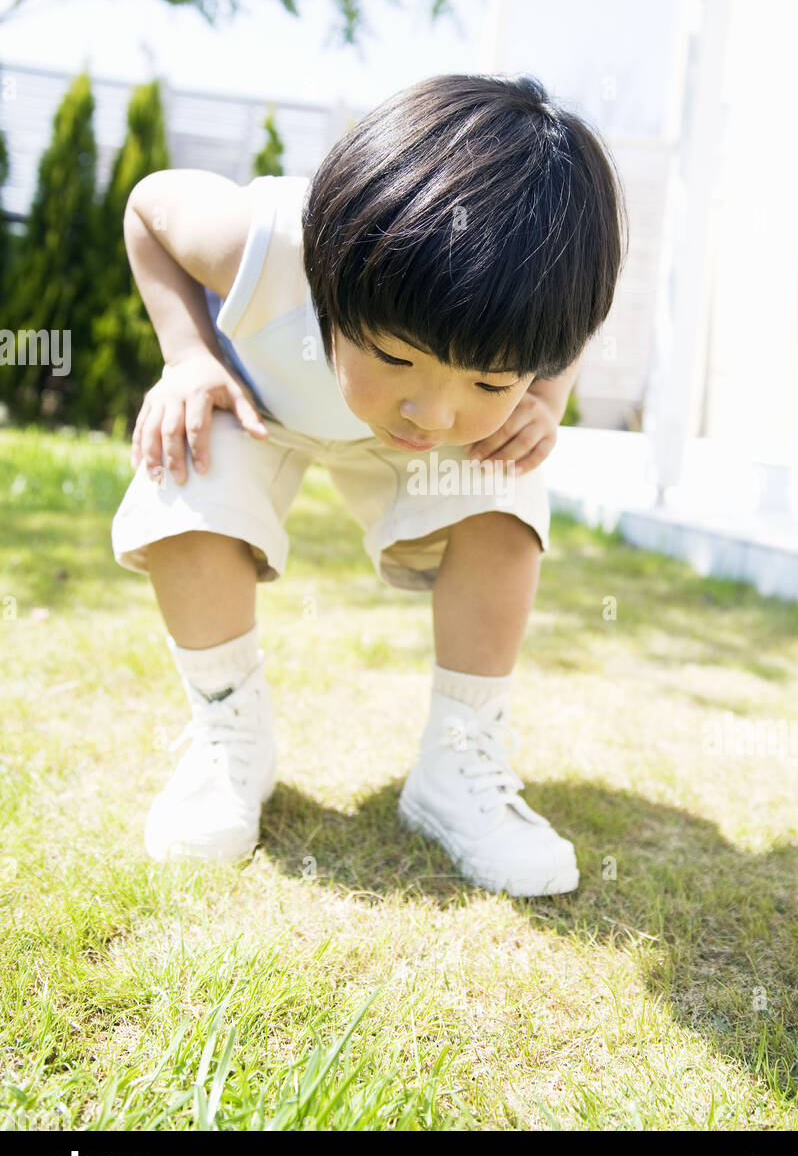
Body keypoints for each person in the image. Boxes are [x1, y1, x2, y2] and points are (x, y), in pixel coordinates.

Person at [111, 72, 628, 898]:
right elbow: (147, 206)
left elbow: (572, 327)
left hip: (375, 443)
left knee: (507, 481)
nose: (437, 410)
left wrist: (541, 400)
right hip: (257, 405)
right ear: (338, 268)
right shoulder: (261, 238)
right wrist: (187, 356)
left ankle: (458, 763)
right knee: (187, 450)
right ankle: (228, 733)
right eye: (397, 357)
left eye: (488, 380)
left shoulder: (528, 312)